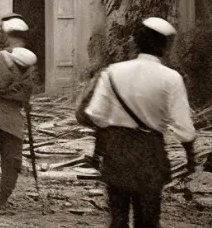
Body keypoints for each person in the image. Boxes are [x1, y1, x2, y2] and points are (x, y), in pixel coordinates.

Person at [83, 17, 197, 228]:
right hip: (150, 153)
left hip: (116, 151)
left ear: (137, 42)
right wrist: (190, 156)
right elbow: (183, 125)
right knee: (148, 220)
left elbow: (97, 116)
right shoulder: (171, 78)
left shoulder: (112, 72)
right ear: (164, 45)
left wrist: (97, 154)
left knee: (118, 220)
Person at [0, 42, 37, 208]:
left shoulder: (28, 75)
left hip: (14, 122)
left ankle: (3, 200)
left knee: (11, 161)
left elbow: (24, 96)